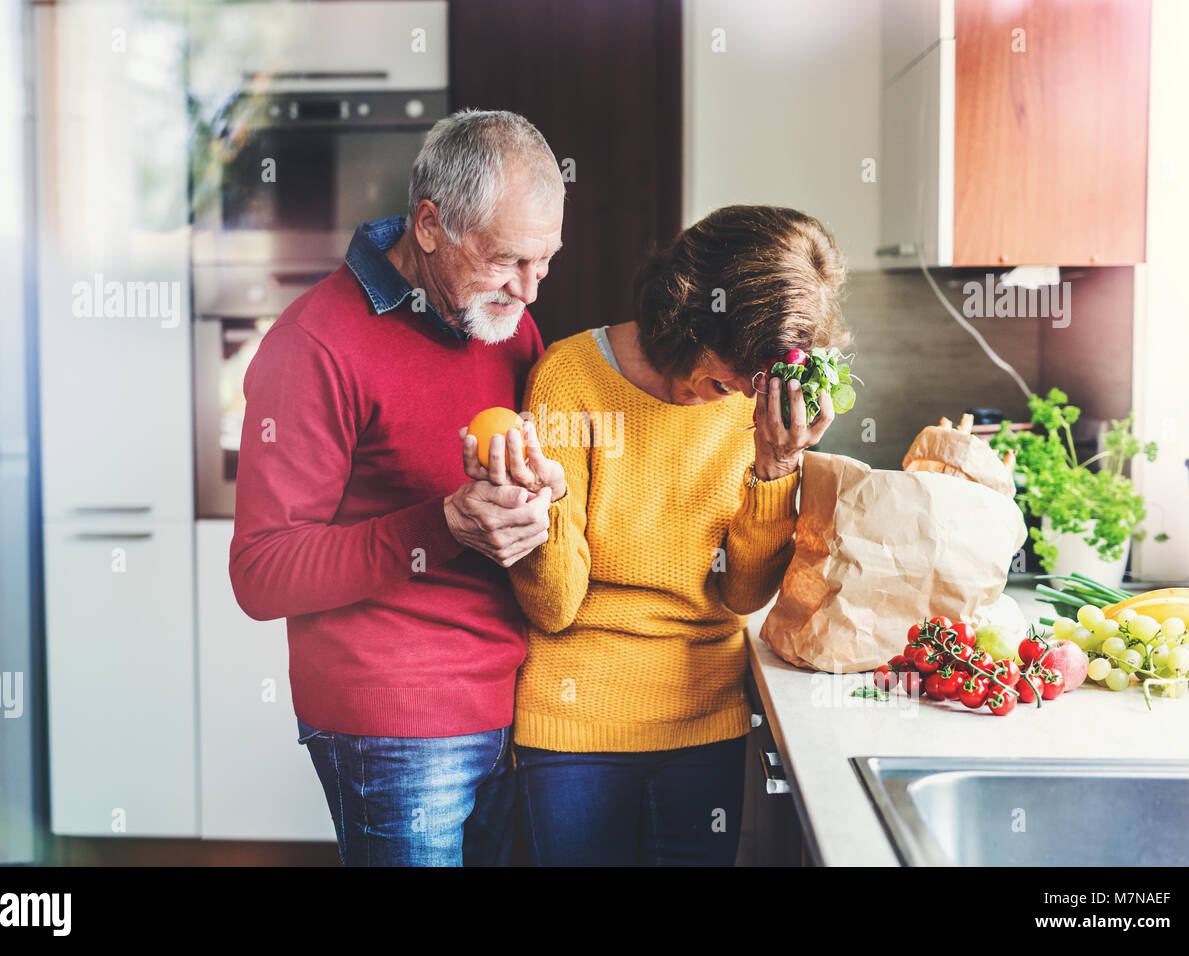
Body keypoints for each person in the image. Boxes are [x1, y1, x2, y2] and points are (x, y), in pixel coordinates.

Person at [229, 109, 568, 866]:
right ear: (428, 224)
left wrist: (546, 496)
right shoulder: (313, 346)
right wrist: (444, 526)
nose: (530, 290)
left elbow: (523, 479)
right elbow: (259, 573)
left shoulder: (507, 325)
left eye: (545, 262)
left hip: (513, 700)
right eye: (509, 260)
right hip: (391, 725)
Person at [463, 205, 850, 865]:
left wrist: (776, 468)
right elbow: (554, 607)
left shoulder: (751, 404)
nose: (730, 395)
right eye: (724, 376)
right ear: (681, 318)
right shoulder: (569, 380)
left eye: (748, 383)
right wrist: (544, 500)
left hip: (706, 719)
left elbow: (743, 595)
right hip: (574, 728)